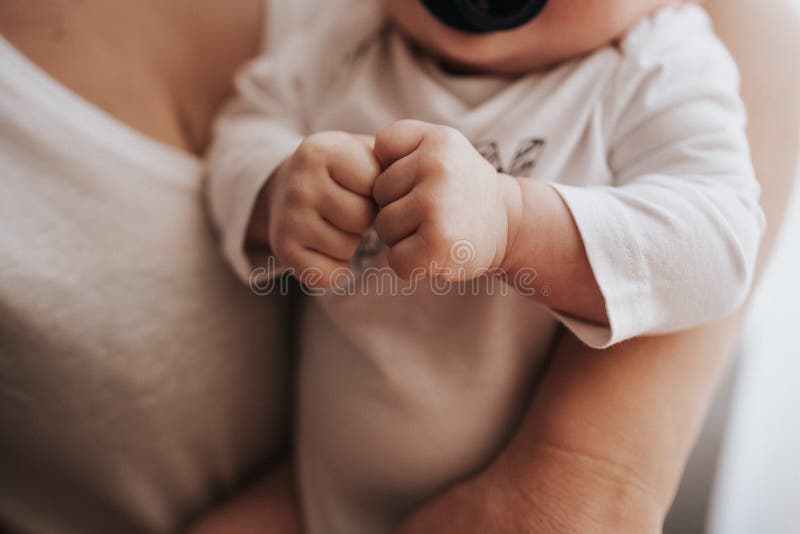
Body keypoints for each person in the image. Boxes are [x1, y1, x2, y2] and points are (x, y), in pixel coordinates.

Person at [1, 1, 797, 534]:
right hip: (313, 493)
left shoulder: (657, 63)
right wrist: (276, 188)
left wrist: (518, 223)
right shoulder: (348, 31)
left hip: (499, 486)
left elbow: (720, 238)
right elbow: (249, 126)